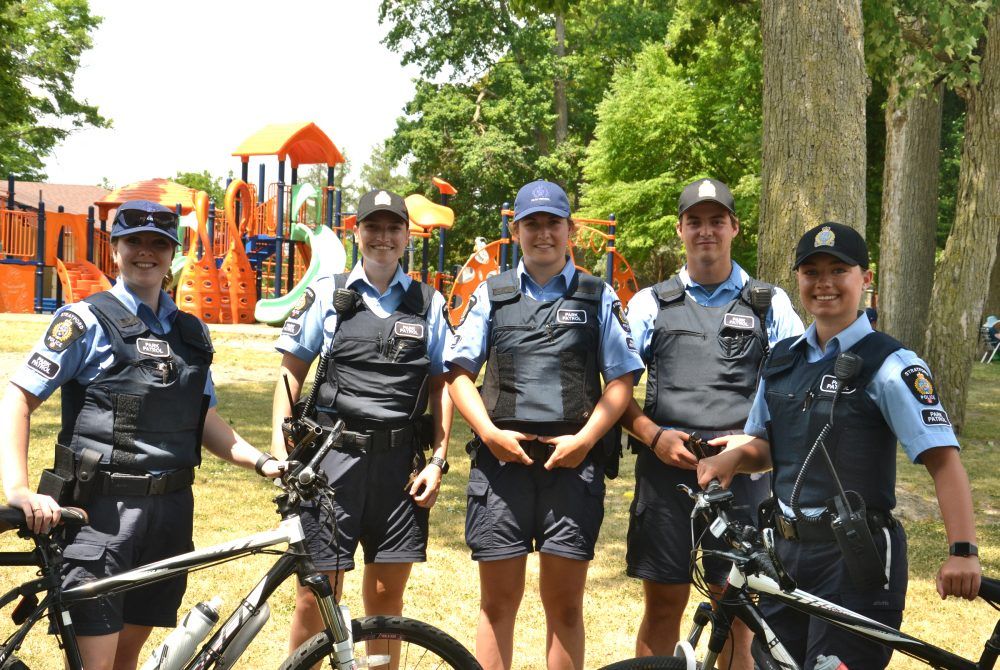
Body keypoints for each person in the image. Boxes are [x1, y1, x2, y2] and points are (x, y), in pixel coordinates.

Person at [0, 200, 284, 670]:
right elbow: (18, 398)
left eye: (159, 244)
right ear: (115, 249)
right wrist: (18, 488)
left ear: (173, 254)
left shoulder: (190, 332)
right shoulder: (85, 320)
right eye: (134, 242)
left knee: (126, 659)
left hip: (170, 514)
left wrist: (263, 462)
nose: (146, 253)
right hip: (99, 514)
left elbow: (205, 420)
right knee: (96, 662)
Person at [697, 222, 981, 669]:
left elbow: (943, 462)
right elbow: (771, 446)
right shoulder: (782, 360)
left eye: (838, 270)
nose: (823, 283)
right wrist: (732, 458)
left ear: (865, 280)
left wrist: (962, 551)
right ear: (798, 280)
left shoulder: (890, 364)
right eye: (811, 272)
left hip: (855, 560)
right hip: (785, 558)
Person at [445, 179, 644, 670]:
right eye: (531, 224)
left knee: (566, 608)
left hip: (571, 467)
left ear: (570, 229)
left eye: (553, 223)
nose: (543, 234)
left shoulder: (598, 296)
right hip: (500, 467)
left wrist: (585, 440)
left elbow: (621, 381)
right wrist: (489, 435)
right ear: (515, 231)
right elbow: (458, 375)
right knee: (497, 606)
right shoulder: (492, 294)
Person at [619, 178, 803, 667]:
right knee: (662, 608)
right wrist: (654, 437)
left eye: (716, 221)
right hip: (666, 479)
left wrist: (751, 443)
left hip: (741, 481)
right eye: (695, 221)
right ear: (680, 229)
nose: (706, 231)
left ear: (734, 228)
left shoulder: (770, 303)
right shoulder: (649, 304)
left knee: (738, 612)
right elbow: (614, 393)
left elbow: (798, 392)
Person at [270, 189, 453, 654]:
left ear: (407, 236)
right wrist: (279, 450)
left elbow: (441, 384)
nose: (383, 237)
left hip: (399, 469)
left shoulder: (428, 302)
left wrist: (438, 461)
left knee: (387, 602)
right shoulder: (328, 295)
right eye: (373, 227)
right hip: (331, 464)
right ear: (358, 232)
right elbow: (291, 372)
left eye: (394, 228)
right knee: (316, 597)